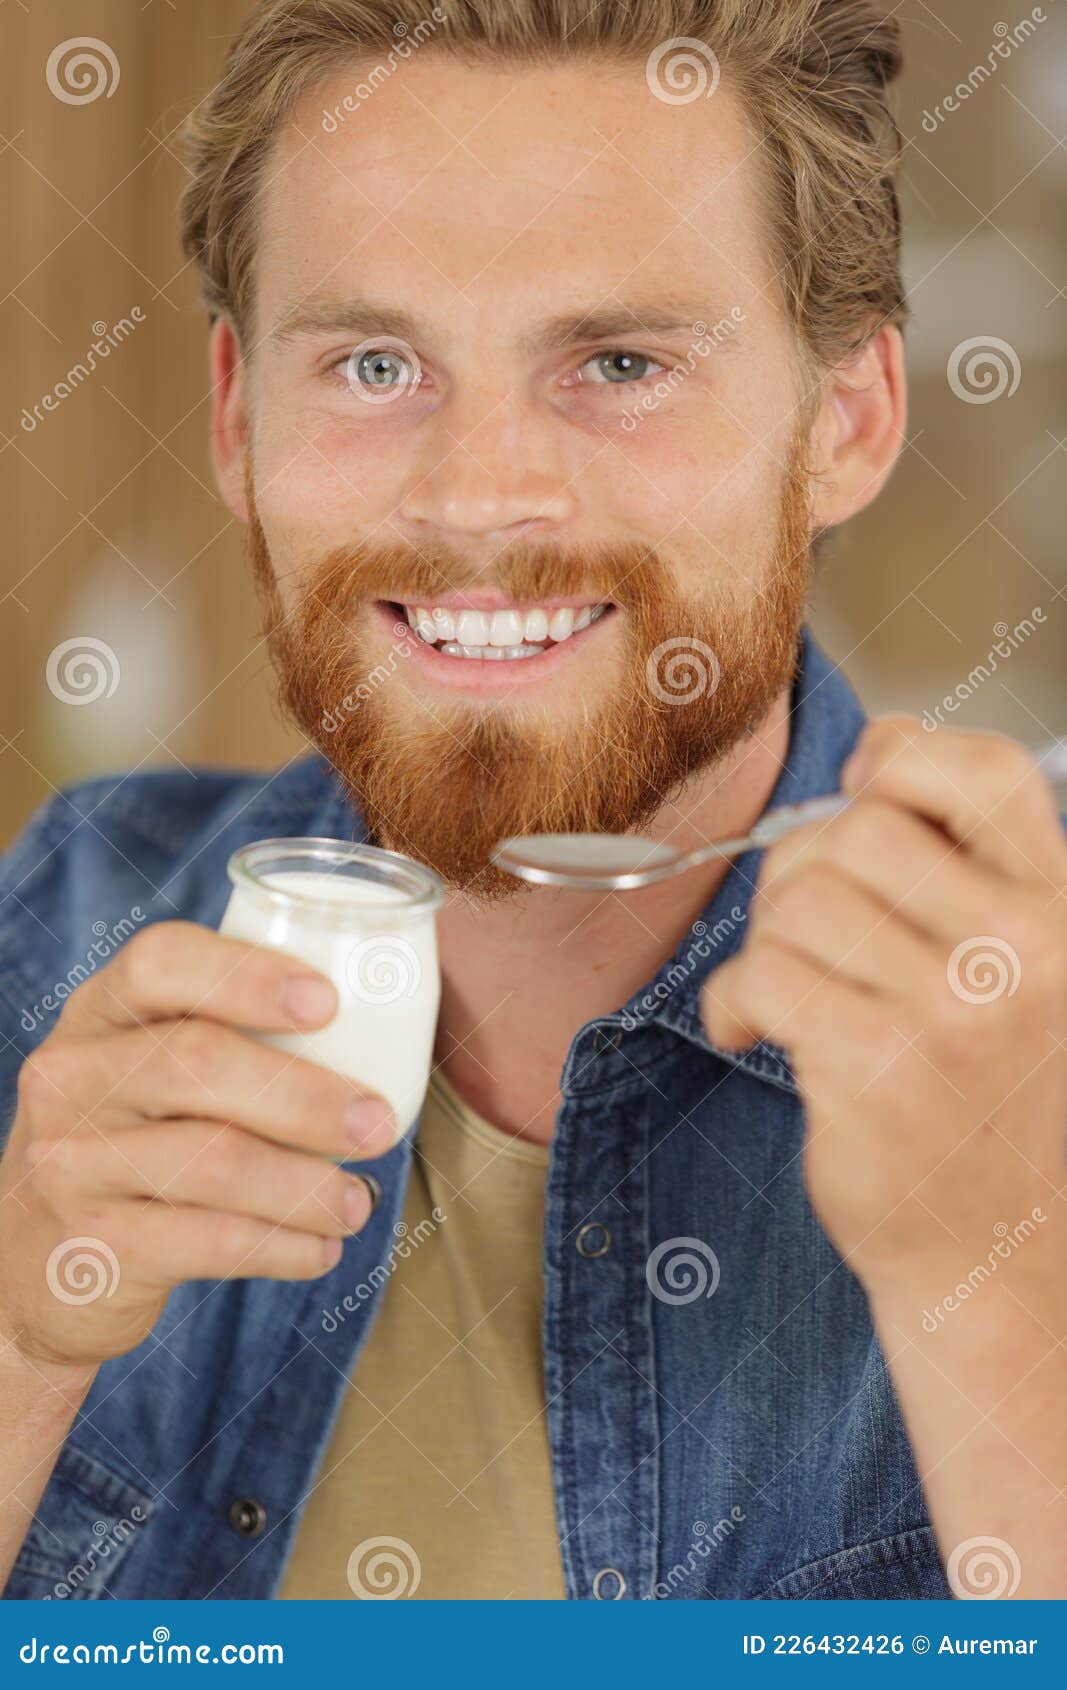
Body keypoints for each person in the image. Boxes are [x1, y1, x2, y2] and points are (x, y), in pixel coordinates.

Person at [1, 0, 1064, 1602]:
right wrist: (21, 1330)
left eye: (621, 361)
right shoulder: (65, 917)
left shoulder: (1030, 1012)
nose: (480, 491)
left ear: (844, 418)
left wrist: (1000, 1292)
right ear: (236, 418)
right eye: (375, 362)